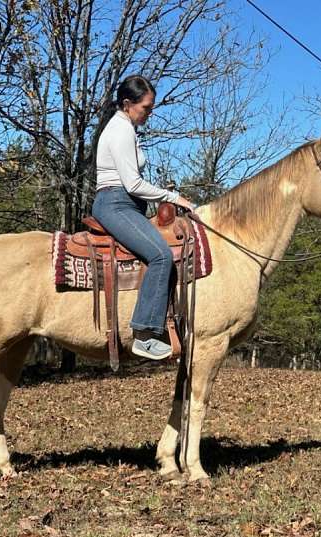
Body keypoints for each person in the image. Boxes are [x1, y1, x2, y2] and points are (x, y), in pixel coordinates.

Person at [92, 75, 196, 360]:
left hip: (126, 204)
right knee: (161, 255)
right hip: (116, 204)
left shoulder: (126, 128)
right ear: (128, 104)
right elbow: (133, 184)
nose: (149, 113)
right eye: (146, 108)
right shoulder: (121, 130)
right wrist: (175, 198)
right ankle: (145, 333)